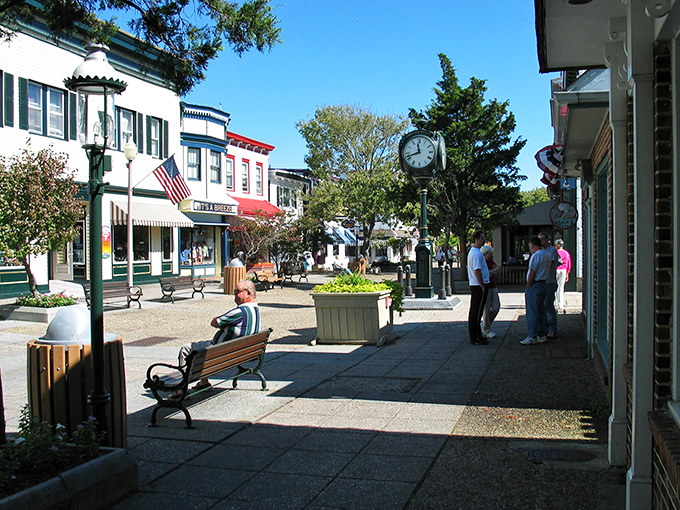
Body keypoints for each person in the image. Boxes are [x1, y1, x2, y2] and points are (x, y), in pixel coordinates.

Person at [174, 279, 261, 396]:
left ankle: (181, 389)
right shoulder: (255, 310)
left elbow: (215, 322)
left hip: (222, 352)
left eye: (237, 291)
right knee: (203, 346)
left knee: (187, 348)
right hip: (241, 353)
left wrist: (217, 320)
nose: (234, 294)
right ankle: (203, 382)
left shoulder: (240, 312)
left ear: (248, 293)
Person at [521, 236, 550, 345]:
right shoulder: (546, 254)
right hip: (543, 283)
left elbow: (532, 272)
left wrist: (528, 285)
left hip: (535, 284)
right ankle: (543, 334)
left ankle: (532, 335)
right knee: (541, 310)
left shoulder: (536, 256)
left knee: (532, 311)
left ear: (532, 244)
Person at [467, 230, 490, 345]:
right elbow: (477, 271)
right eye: (482, 238)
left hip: (477, 284)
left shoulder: (475, 252)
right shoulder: (476, 254)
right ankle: (475, 337)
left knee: (477, 311)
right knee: (476, 311)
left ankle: (477, 335)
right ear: (477, 240)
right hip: (478, 285)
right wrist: (482, 285)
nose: (484, 240)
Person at [538, 232, 560, 338]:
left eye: (542, 239)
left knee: (548, 305)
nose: (541, 241)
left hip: (550, 282)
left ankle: (552, 328)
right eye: (539, 239)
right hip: (541, 282)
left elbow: (548, 264)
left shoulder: (552, 250)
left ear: (547, 240)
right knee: (541, 306)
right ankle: (544, 328)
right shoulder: (540, 251)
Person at [480, 245, 500, 339]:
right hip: (486, 286)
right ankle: (486, 328)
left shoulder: (491, 261)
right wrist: (490, 273)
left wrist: (489, 272)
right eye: (489, 253)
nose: (491, 255)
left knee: (496, 307)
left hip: (493, 285)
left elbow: (497, 269)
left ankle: (485, 324)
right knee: (486, 308)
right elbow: (484, 273)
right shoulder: (482, 261)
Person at [555, 239, 572, 311]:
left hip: (556, 269)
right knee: (561, 287)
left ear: (558, 246)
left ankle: (553, 303)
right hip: (563, 270)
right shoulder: (566, 253)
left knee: (554, 287)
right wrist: (568, 273)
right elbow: (569, 263)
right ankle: (560, 304)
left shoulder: (555, 252)